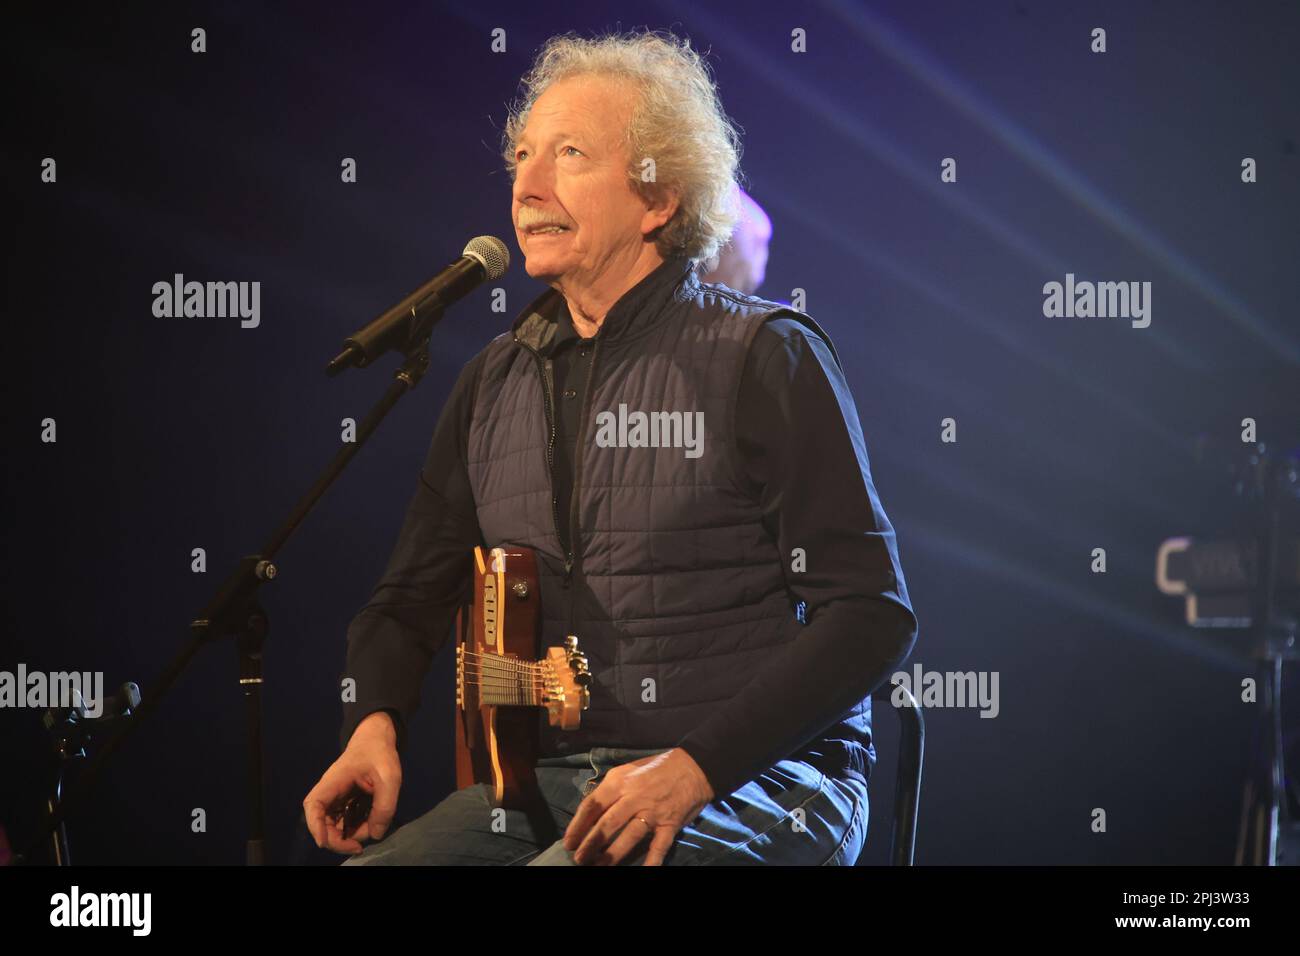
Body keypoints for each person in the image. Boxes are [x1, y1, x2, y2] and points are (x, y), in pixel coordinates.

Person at [303, 28, 917, 866]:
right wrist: (371, 727)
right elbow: (406, 601)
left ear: (659, 198)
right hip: (552, 785)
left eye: (570, 154)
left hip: (767, 778)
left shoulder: (764, 354)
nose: (526, 183)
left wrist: (696, 768)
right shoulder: (491, 381)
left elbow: (871, 616)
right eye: (521, 156)